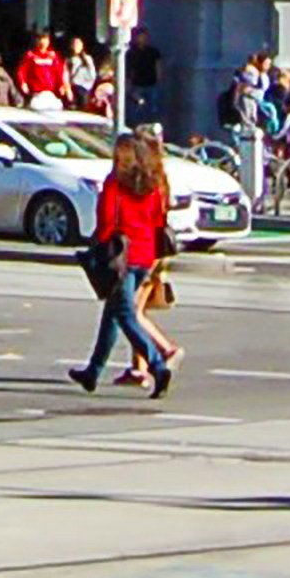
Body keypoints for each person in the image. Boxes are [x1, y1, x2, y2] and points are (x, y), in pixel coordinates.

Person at [69, 127, 177, 398]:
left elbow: (106, 221)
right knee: (113, 314)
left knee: (126, 315)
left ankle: (157, 365)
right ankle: (92, 371)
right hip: (145, 255)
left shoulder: (115, 184)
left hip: (121, 257)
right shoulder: (153, 184)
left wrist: (98, 245)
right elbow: (157, 221)